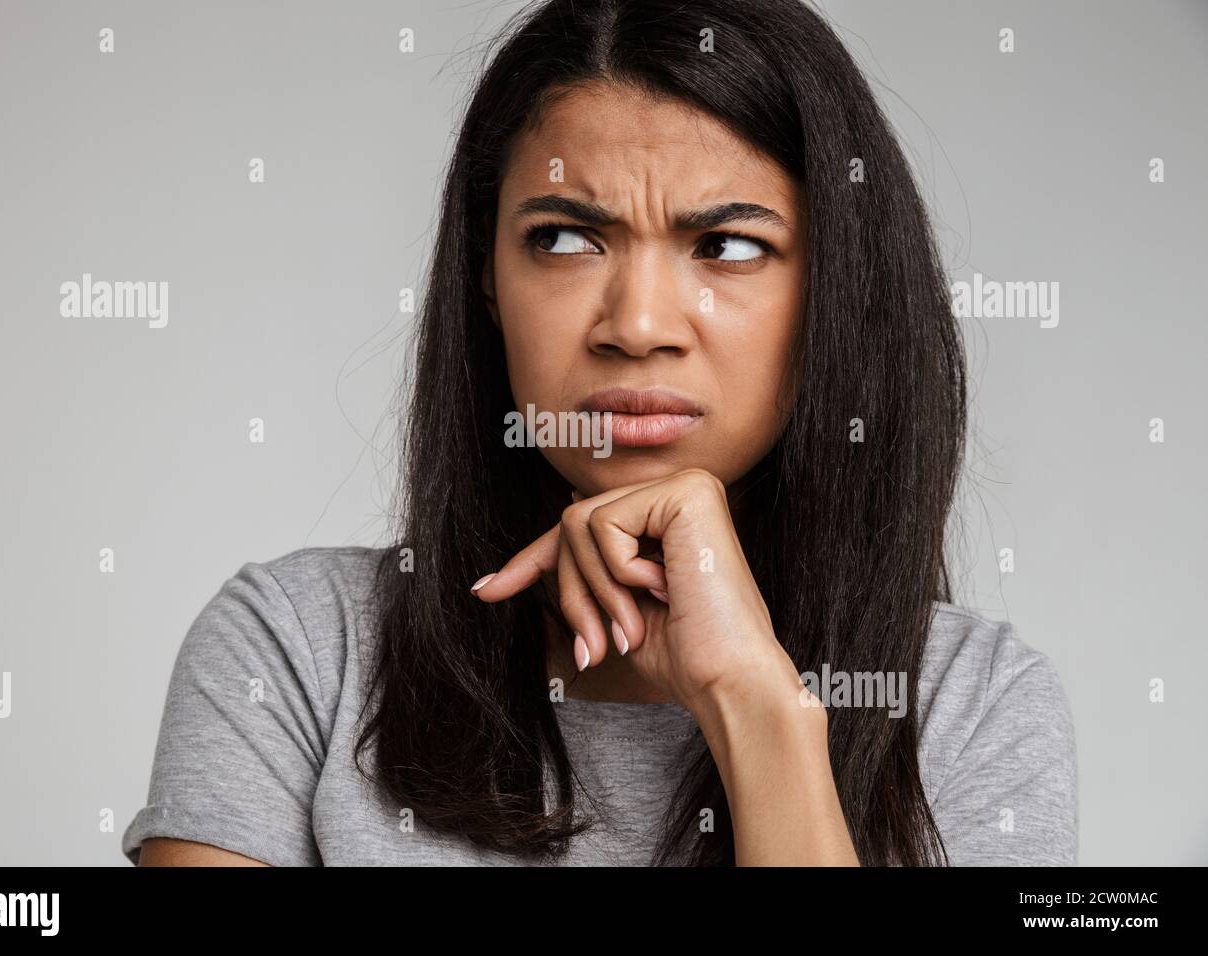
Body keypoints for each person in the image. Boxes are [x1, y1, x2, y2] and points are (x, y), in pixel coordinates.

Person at [124, 0, 1078, 867]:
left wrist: (757, 710)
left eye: (730, 246)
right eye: (566, 239)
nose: (638, 323)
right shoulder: (297, 652)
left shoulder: (973, 707)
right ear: (486, 277)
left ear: (834, 291)